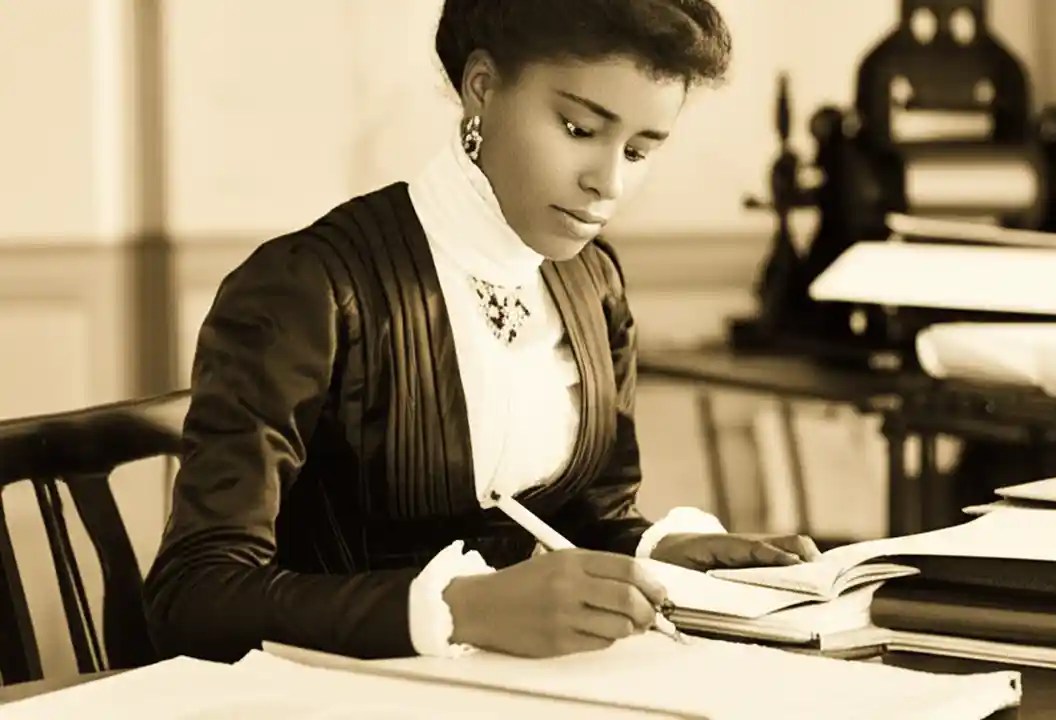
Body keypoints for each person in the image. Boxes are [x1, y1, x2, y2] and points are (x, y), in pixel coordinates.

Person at [143, 0, 820, 663]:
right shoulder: (307, 290)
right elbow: (194, 597)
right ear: (483, 87)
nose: (607, 183)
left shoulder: (592, 284)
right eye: (580, 129)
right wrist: (460, 610)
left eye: (640, 151)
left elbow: (590, 519)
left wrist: (660, 554)